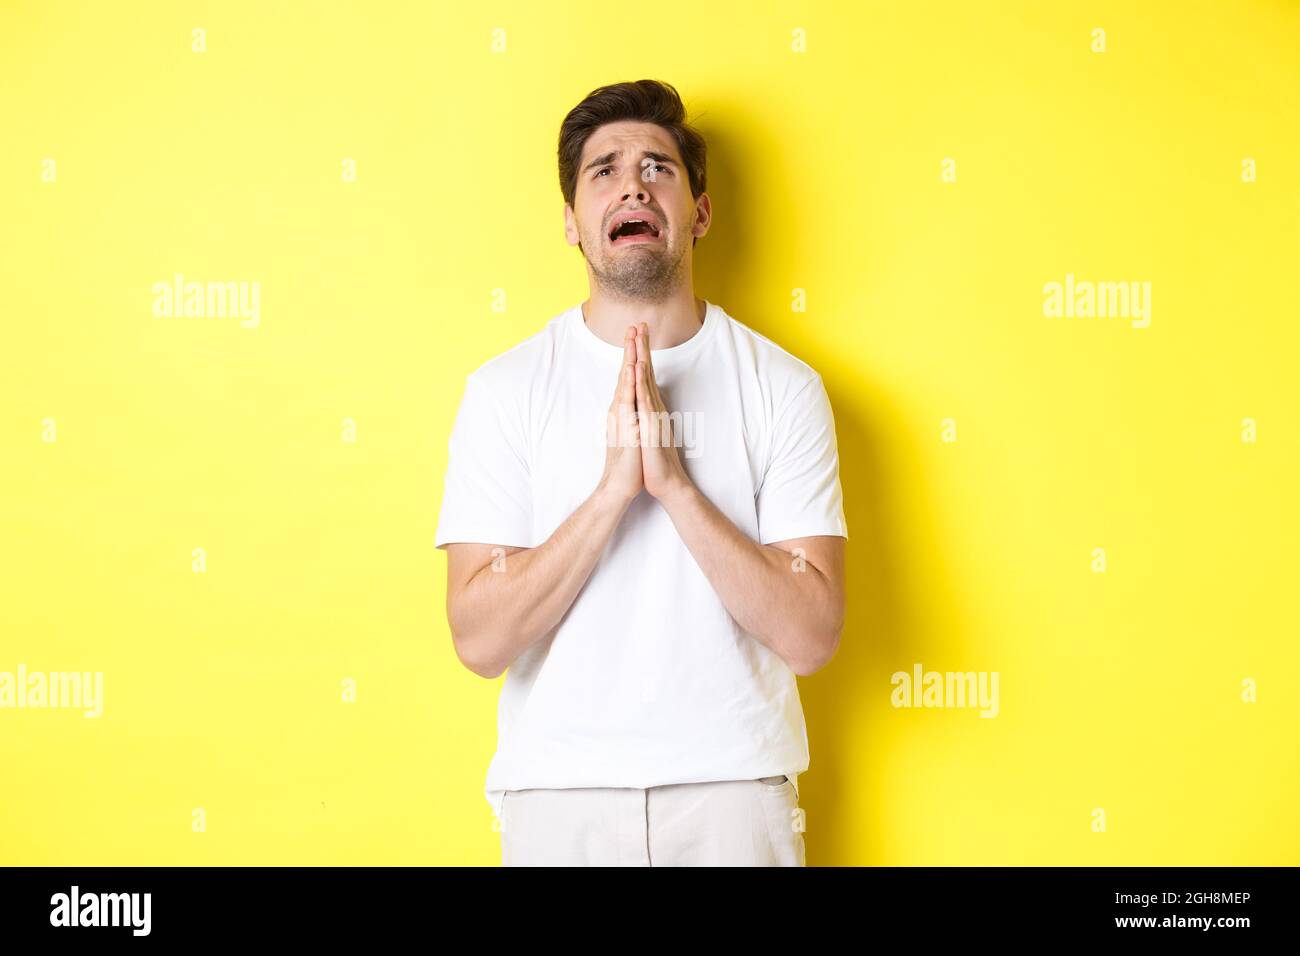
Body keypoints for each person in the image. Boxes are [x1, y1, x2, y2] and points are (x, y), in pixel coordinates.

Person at [434, 79, 847, 866]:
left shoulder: (784, 387)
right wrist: (612, 493)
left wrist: (677, 488)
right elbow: (479, 640)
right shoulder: (504, 391)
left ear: (699, 213)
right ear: (572, 222)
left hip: (737, 796)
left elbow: (812, 633)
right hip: (559, 801)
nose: (633, 183)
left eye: (659, 167)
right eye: (605, 170)